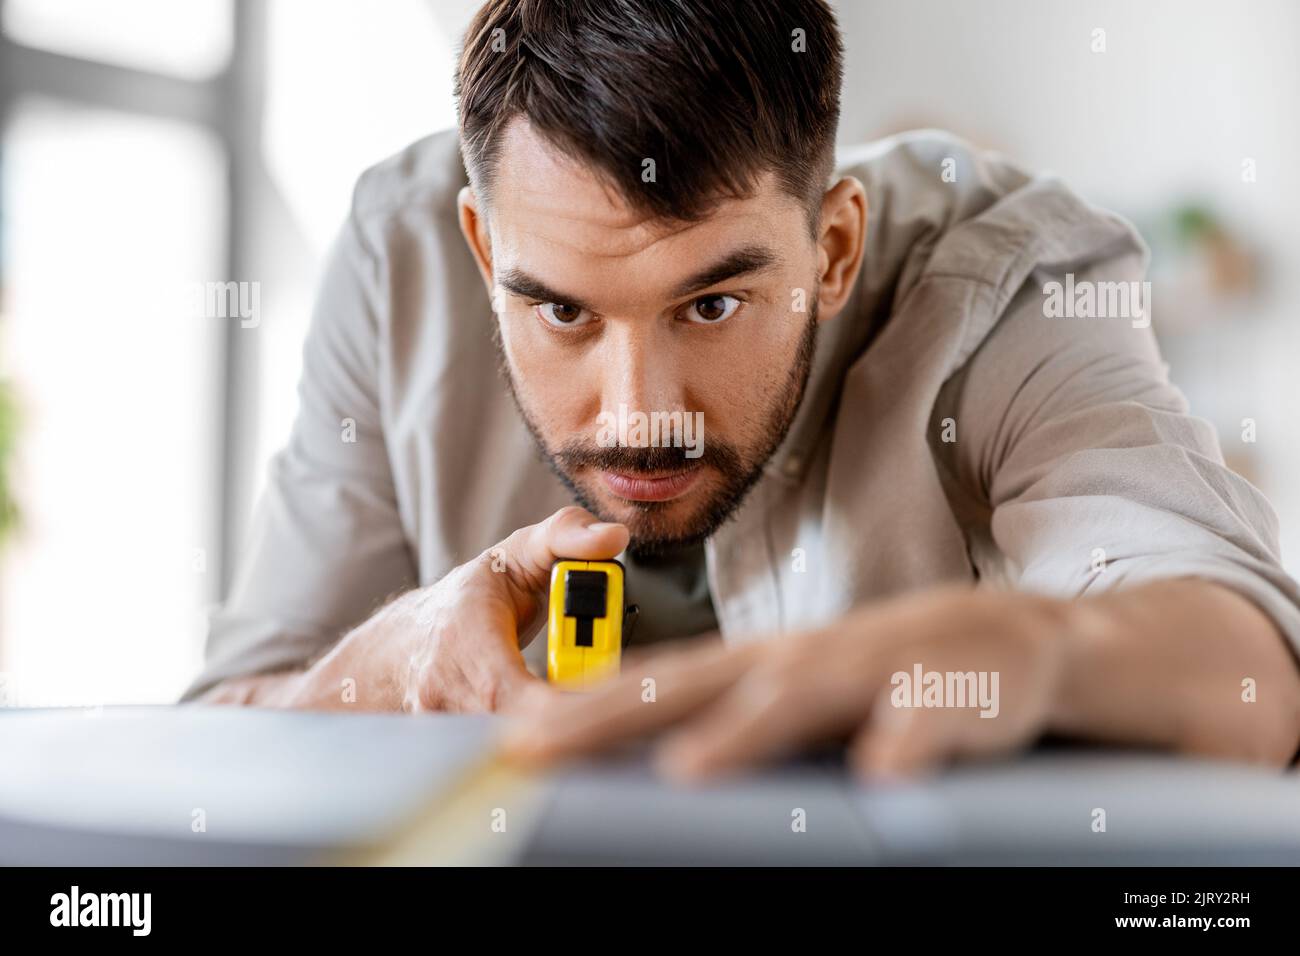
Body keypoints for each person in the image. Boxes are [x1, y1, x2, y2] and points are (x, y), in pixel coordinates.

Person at [183, 0, 1300, 780]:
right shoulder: (400, 254)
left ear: (832, 248)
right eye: (561, 310)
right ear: (485, 252)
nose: (635, 415)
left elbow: (1250, 671)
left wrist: (1035, 648)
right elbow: (218, 732)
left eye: (711, 303)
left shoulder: (1004, 266)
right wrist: (387, 657)